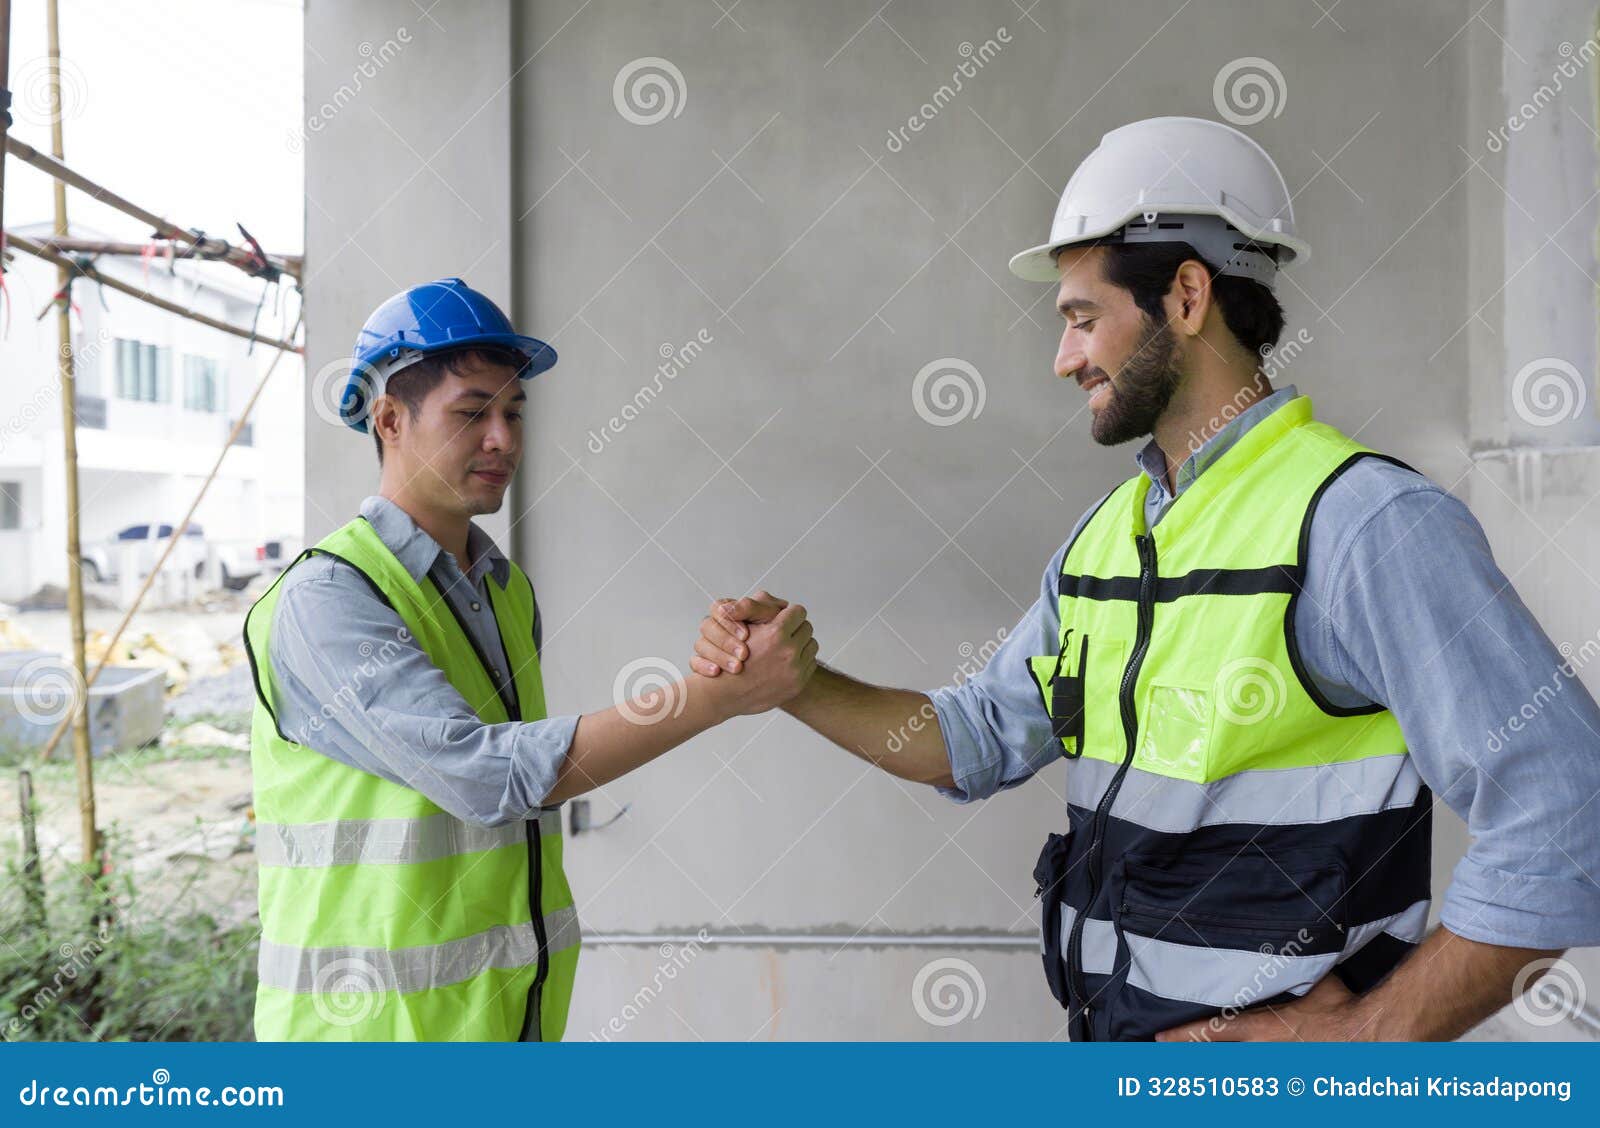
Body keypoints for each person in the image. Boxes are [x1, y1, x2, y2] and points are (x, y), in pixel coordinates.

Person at [692, 118, 1600, 1041]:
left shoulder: (1362, 526)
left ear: (1187, 296)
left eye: (1084, 318)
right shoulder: (1108, 541)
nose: (1065, 358)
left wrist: (1367, 1039)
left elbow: (1568, 813)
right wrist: (800, 686)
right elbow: (975, 737)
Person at [244, 278, 816, 1041]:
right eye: (471, 412)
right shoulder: (328, 598)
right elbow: (486, 774)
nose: (504, 440)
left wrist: (720, 674)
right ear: (388, 419)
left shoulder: (503, 590)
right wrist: (713, 698)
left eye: (513, 412)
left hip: (504, 1029)